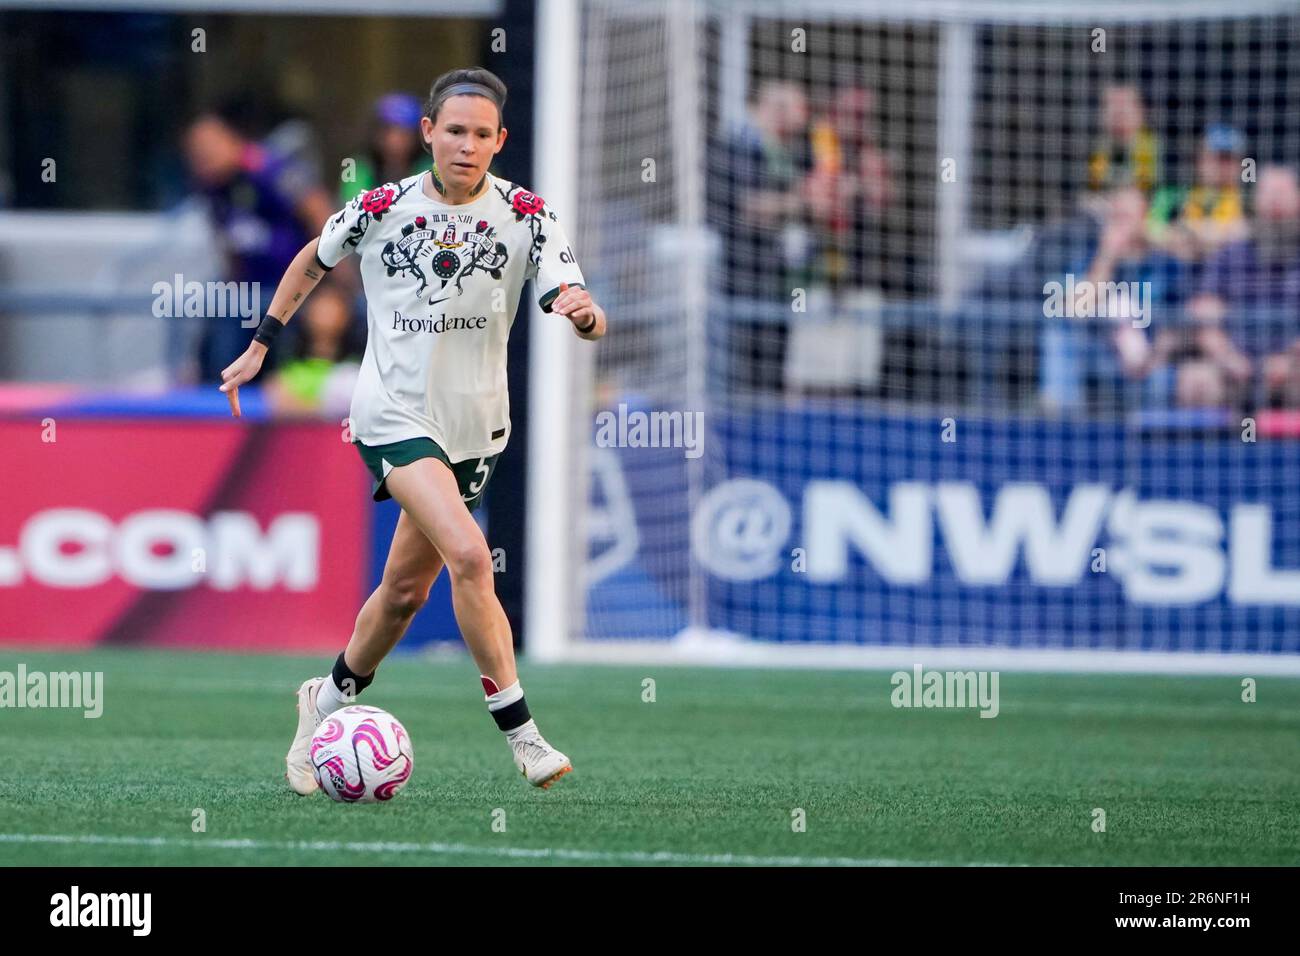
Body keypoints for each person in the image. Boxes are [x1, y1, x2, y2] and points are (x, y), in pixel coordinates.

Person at [218, 67, 606, 792]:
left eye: (481, 134)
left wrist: (586, 315)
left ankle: (325, 699)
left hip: (476, 430)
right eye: (453, 131)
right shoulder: (378, 205)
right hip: (391, 415)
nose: (466, 145)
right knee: (470, 555)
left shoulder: (528, 214)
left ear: (500, 140)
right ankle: (523, 736)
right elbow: (313, 257)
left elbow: (575, 303)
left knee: (403, 593)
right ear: (429, 133)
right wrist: (262, 343)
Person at [184, 107, 335, 382]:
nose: (202, 157)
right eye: (194, 151)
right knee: (216, 342)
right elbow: (230, 244)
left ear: (232, 139)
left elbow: (318, 211)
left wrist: (332, 282)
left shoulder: (268, 169)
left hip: (294, 293)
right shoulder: (214, 187)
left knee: (282, 367)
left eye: (208, 147)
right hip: (249, 294)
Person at [264, 277, 363, 418]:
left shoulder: (356, 371)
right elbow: (278, 401)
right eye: (320, 307)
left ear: (346, 316)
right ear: (307, 313)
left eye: (332, 307)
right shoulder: (287, 371)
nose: (326, 314)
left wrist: (306, 408)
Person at [339, 93, 429, 205]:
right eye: (389, 131)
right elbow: (350, 203)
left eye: (404, 133)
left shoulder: (429, 166)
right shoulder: (353, 164)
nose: (395, 140)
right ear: (376, 132)